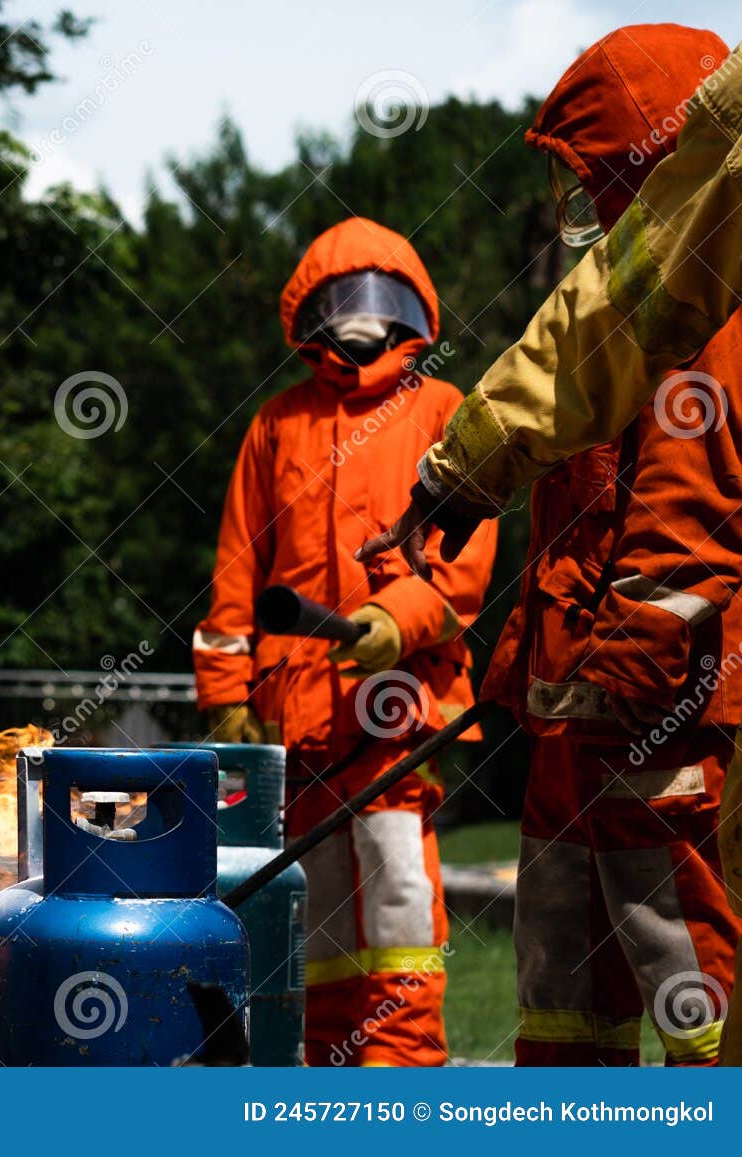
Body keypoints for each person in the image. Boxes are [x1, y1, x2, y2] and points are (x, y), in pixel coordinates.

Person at [362, 30, 742, 1063]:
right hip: (581, 712)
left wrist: (627, 686)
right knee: (567, 983)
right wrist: (525, 663)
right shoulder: (642, 293)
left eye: (588, 173)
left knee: (691, 978)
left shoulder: (703, 314)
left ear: (643, 161)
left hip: (665, 709)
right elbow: (571, 524)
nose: (573, 203)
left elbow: (685, 522)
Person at [195, 217, 496, 1066]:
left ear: (415, 310)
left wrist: (396, 619)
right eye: (340, 301)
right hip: (297, 726)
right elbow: (236, 573)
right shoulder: (277, 425)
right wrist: (223, 700)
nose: (360, 317)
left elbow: (463, 557)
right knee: (315, 911)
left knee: (399, 899)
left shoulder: (443, 409)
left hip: (397, 712)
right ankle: (331, 1076)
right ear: (308, 315)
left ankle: (399, 1076)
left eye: (378, 297)